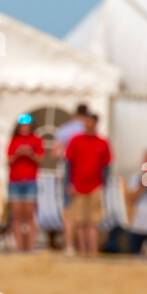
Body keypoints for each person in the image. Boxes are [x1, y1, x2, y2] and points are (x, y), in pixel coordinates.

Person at [63, 110, 112, 257]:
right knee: (79, 222)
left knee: (93, 222)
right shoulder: (75, 141)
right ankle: (82, 251)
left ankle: (93, 251)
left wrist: (103, 184)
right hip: (77, 187)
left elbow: (107, 166)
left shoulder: (102, 143)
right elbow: (68, 164)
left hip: (95, 186)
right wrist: (69, 183)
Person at [55, 103, 89, 254]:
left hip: (69, 174)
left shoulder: (65, 130)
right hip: (87, 177)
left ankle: (70, 245)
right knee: (84, 214)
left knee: (69, 212)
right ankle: (84, 248)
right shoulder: (87, 131)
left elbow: (56, 153)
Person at [6, 114, 43, 251]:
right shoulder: (14, 141)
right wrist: (17, 154)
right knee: (16, 215)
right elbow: (8, 161)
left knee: (29, 214)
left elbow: (40, 160)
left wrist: (30, 154)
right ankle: (19, 247)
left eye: (27, 125)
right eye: (22, 125)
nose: (24, 128)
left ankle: (30, 246)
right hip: (15, 181)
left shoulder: (36, 140)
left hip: (30, 181)